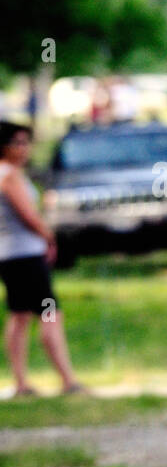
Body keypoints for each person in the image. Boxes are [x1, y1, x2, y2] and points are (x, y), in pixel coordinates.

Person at [0, 122, 84, 397]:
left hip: (10, 256)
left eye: (27, 142)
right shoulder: (9, 175)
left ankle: (22, 381)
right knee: (50, 312)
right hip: (26, 256)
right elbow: (28, 215)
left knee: (19, 315)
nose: (25, 149)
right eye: (19, 143)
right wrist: (49, 236)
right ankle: (67, 379)